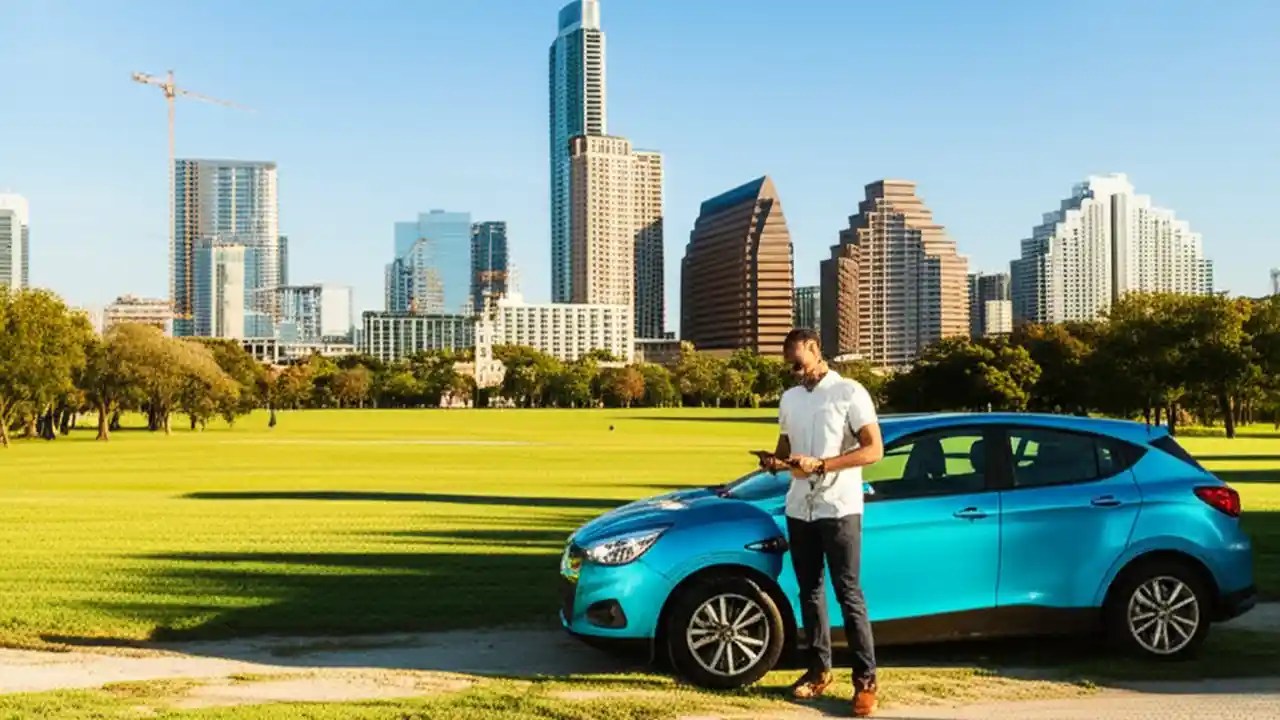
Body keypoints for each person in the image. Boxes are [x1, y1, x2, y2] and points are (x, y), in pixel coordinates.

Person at [756, 328, 883, 717]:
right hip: (800, 508)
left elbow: (873, 449)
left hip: (839, 507)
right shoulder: (790, 398)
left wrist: (825, 464)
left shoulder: (850, 392)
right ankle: (818, 671)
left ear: (814, 348)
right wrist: (774, 462)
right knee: (809, 593)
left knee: (848, 593)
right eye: (787, 362)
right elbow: (785, 448)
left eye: (796, 360)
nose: (792, 369)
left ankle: (865, 681)